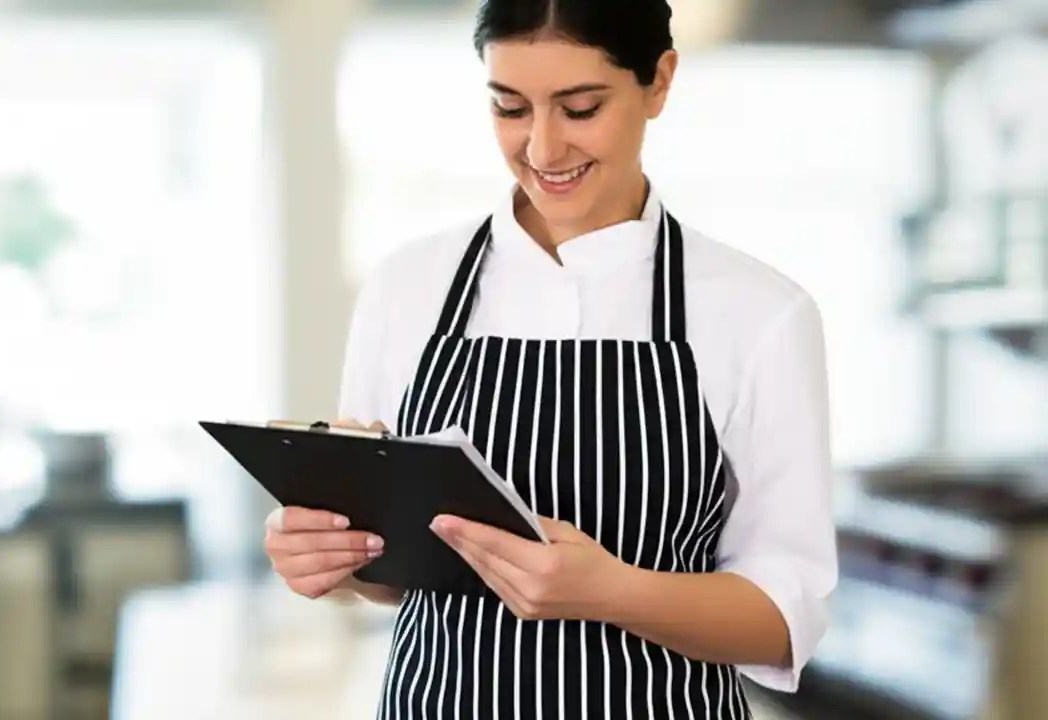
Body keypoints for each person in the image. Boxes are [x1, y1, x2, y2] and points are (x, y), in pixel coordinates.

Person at [263, 0, 837, 717]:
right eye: (510, 109)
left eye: (580, 108)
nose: (542, 148)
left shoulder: (761, 313)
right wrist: (330, 556)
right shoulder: (406, 288)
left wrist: (612, 591)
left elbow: (785, 619)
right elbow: (393, 569)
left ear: (658, 82)